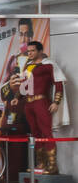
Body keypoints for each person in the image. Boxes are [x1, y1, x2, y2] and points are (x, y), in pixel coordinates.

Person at [13, 41, 65, 174]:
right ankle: (41, 163)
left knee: (46, 133)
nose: (29, 53)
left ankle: (52, 165)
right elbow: (24, 85)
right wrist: (16, 98)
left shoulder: (49, 65)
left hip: (42, 102)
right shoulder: (28, 67)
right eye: (28, 51)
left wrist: (56, 102)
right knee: (35, 134)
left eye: (32, 51)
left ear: (40, 51)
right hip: (29, 104)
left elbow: (58, 83)